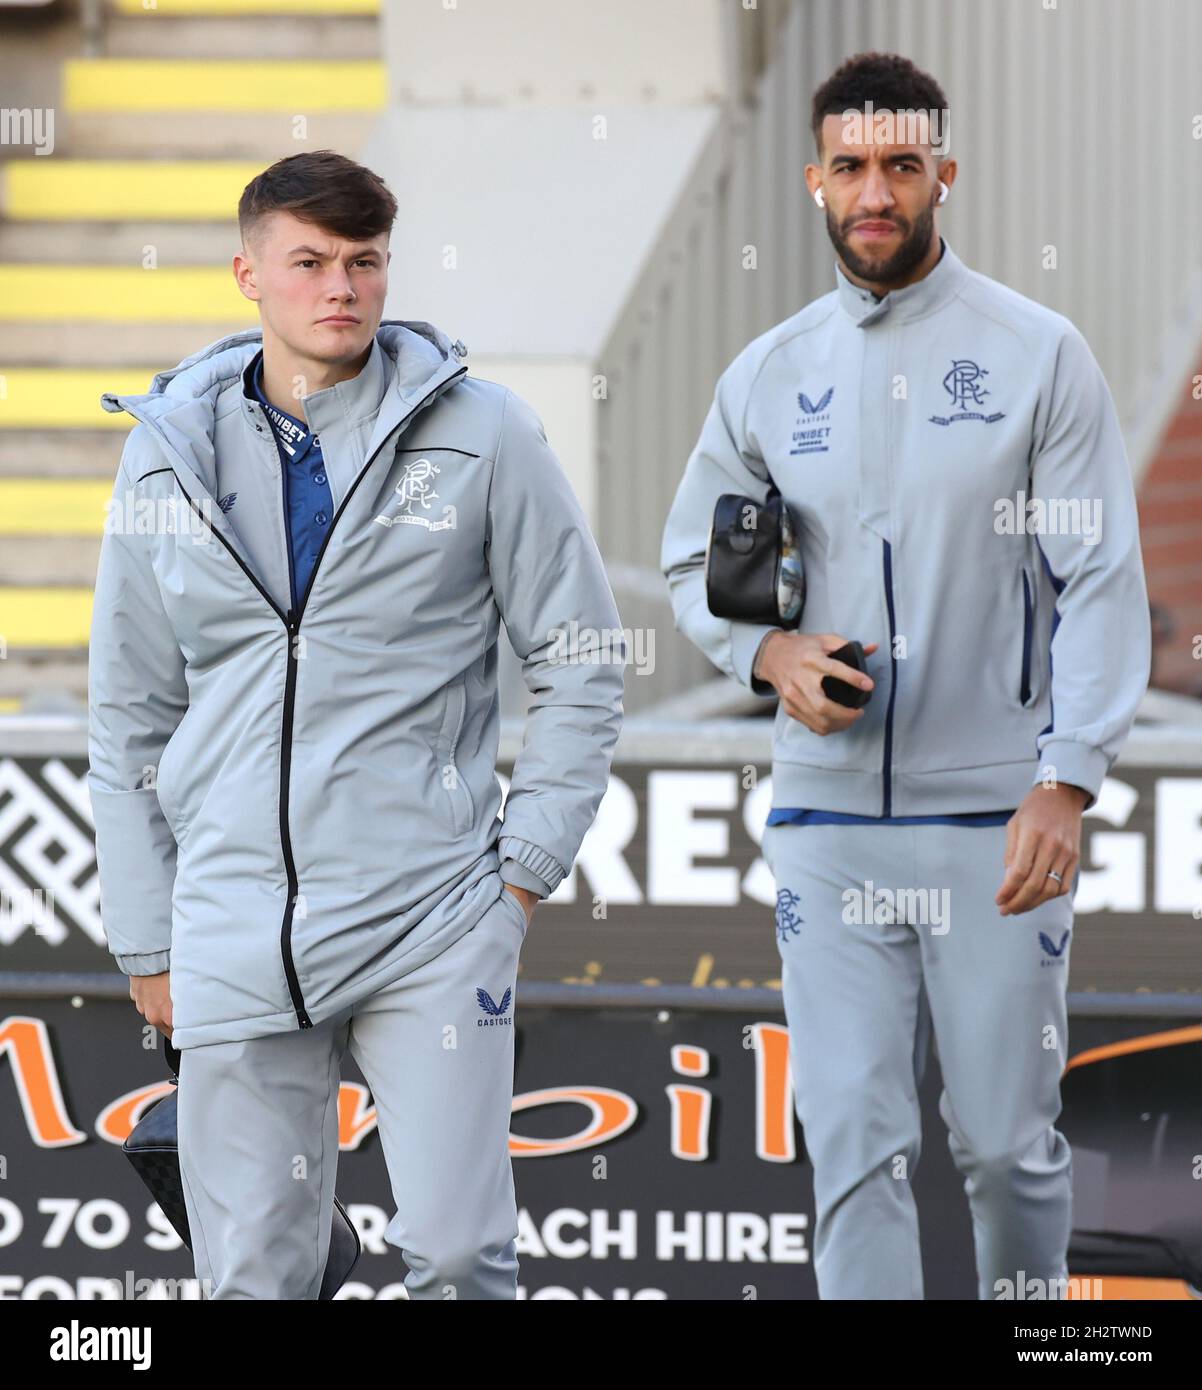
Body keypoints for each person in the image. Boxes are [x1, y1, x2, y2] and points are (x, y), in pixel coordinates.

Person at [88, 149, 625, 1299]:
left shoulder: (486, 435)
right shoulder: (163, 450)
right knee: (254, 1275)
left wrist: (518, 877)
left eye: (364, 261)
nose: (341, 286)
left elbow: (581, 662)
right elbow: (128, 713)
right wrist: (147, 937)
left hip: (431, 916)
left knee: (458, 1256)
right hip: (230, 923)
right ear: (248, 275)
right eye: (310, 262)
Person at [660, 52, 1151, 1300]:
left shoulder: (1039, 354)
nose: (872, 191)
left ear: (943, 172)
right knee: (853, 1148)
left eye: (898, 165)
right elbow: (688, 560)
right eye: (848, 167)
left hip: (996, 824)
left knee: (1003, 1150)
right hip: (824, 822)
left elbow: (1097, 580)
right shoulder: (767, 372)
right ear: (812, 181)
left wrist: (1066, 779)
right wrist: (766, 653)